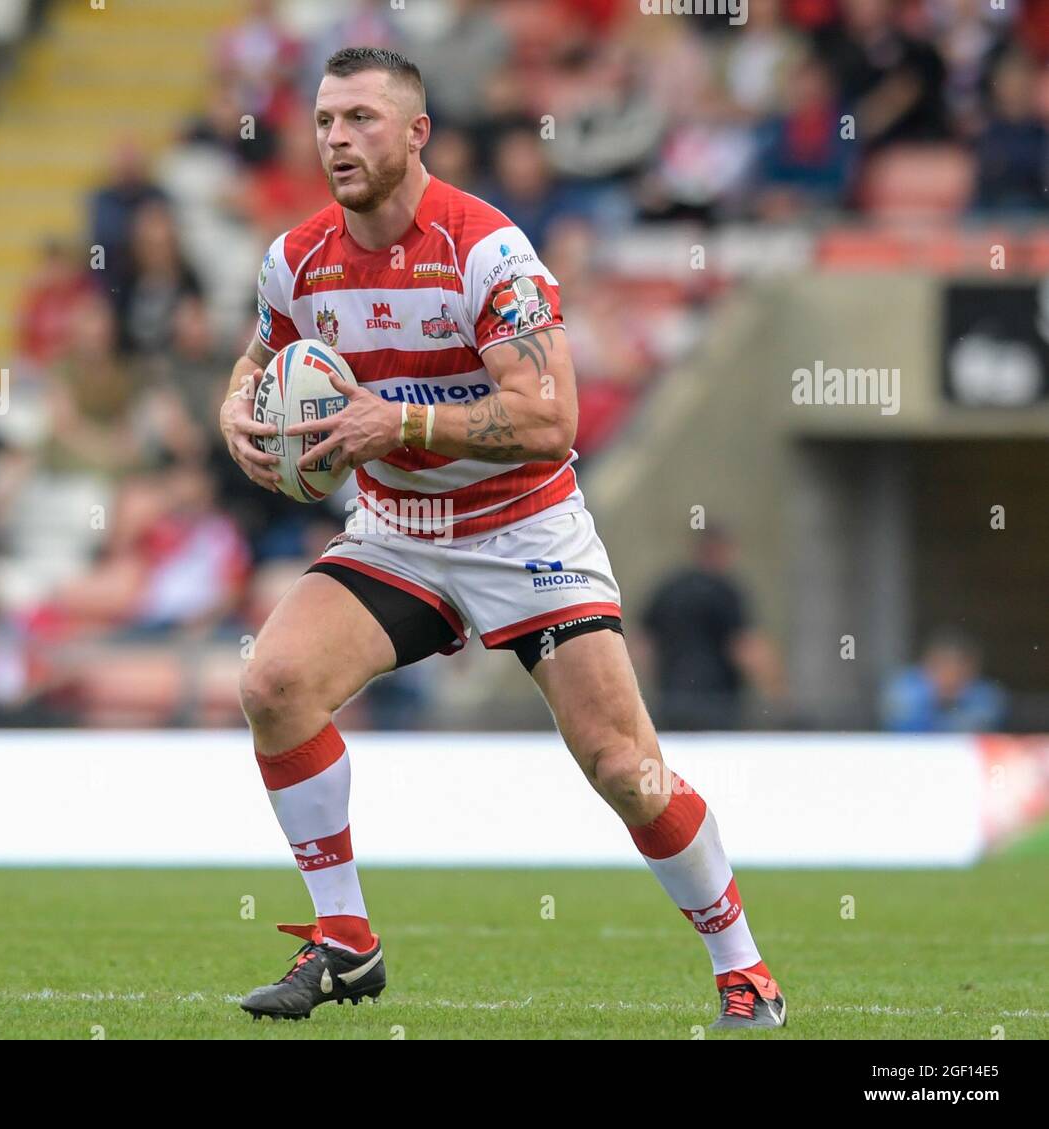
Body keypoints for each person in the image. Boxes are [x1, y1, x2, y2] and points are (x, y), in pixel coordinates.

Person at [218, 47, 785, 1029]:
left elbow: (551, 419)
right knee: (272, 683)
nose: (337, 139)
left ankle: (743, 967)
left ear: (416, 132)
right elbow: (264, 352)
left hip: (526, 530)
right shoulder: (296, 257)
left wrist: (398, 422)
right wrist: (237, 409)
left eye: (360, 118)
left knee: (623, 766)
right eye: (324, 121)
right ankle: (346, 941)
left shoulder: (488, 252)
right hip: (399, 529)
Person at [640, 527, 785, 731]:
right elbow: (745, 648)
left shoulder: (669, 589)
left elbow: (643, 647)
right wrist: (779, 701)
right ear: (721, 550)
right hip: (717, 705)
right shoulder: (725, 592)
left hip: (672, 704)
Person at [882, 628, 1007, 733]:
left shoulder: (986, 695)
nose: (950, 674)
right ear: (927, 663)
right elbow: (901, 727)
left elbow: (986, 727)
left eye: (959, 667)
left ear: (972, 668)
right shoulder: (904, 689)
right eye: (942, 665)